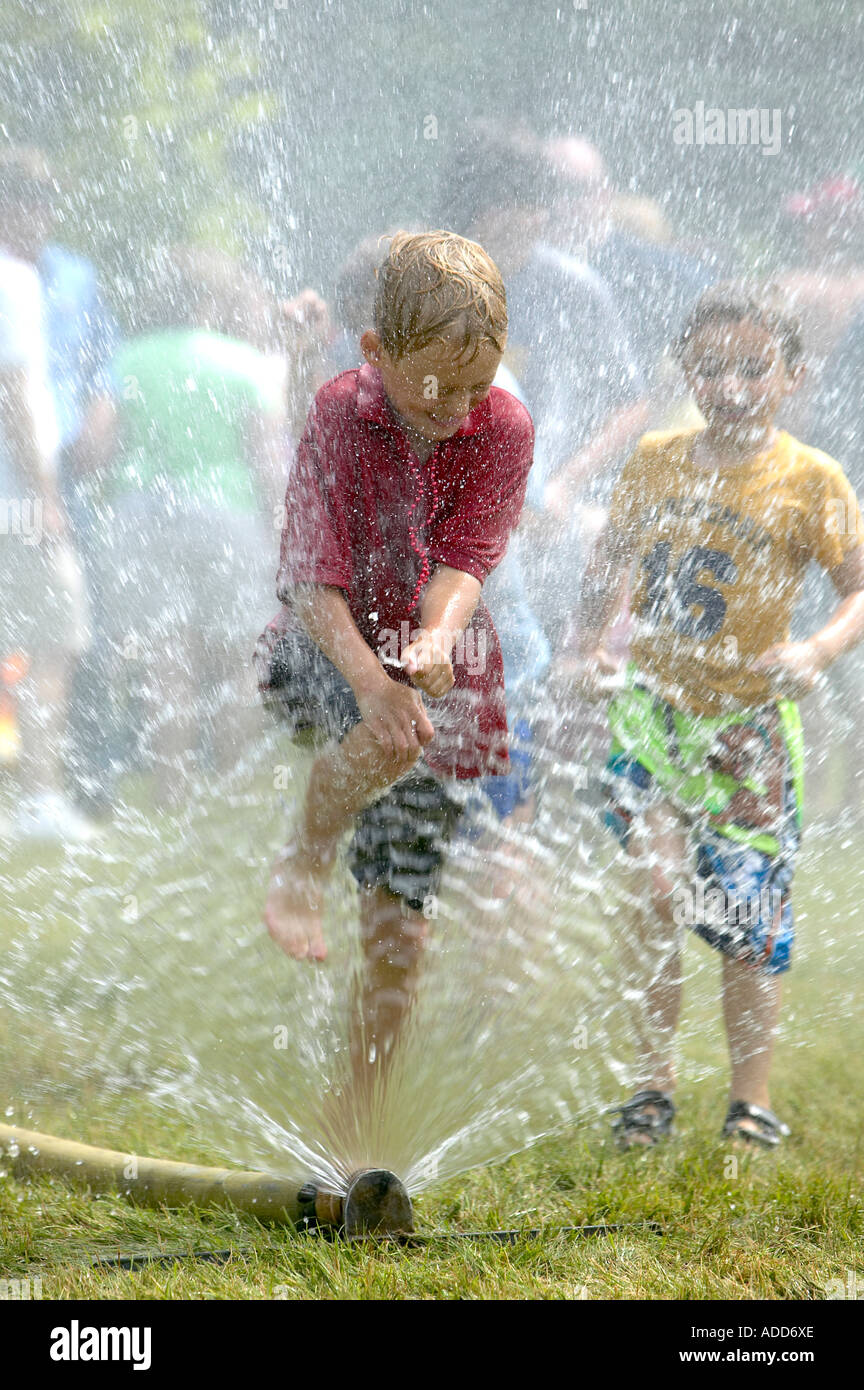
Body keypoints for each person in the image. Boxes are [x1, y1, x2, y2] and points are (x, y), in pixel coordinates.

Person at [560, 283, 864, 1148]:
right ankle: (650, 1088)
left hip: (748, 726)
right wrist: (586, 647)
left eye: (753, 369)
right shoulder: (655, 458)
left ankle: (749, 1102)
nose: (730, 387)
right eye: (710, 368)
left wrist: (813, 653)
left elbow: (858, 589)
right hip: (652, 707)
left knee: (744, 918)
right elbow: (609, 561)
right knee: (656, 887)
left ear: (793, 376)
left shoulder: (812, 479)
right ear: (688, 372)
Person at [256, 230, 533, 1112]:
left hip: (431, 663)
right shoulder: (343, 408)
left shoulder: (502, 427)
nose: (456, 408)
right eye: (436, 386)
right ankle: (304, 859)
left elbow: (465, 562)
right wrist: (374, 684)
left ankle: (356, 1121)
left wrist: (435, 641)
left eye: (476, 386)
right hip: (321, 643)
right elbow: (310, 575)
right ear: (376, 353)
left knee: (399, 936)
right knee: (390, 733)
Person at [75, 245, 286, 809]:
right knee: (239, 658)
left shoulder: (127, 360)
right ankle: (234, 791)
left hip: (143, 516)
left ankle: (173, 795)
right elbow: (270, 463)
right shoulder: (247, 365)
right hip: (231, 517)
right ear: (209, 301)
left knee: (168, 658)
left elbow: (94, 448)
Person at [0, 153, 93, 841]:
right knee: (51, 641)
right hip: (15, 497)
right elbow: (17, 390)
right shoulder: (15, 280)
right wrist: (46, 494)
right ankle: (39, 800)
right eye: (33, 202)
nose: (44, 216)